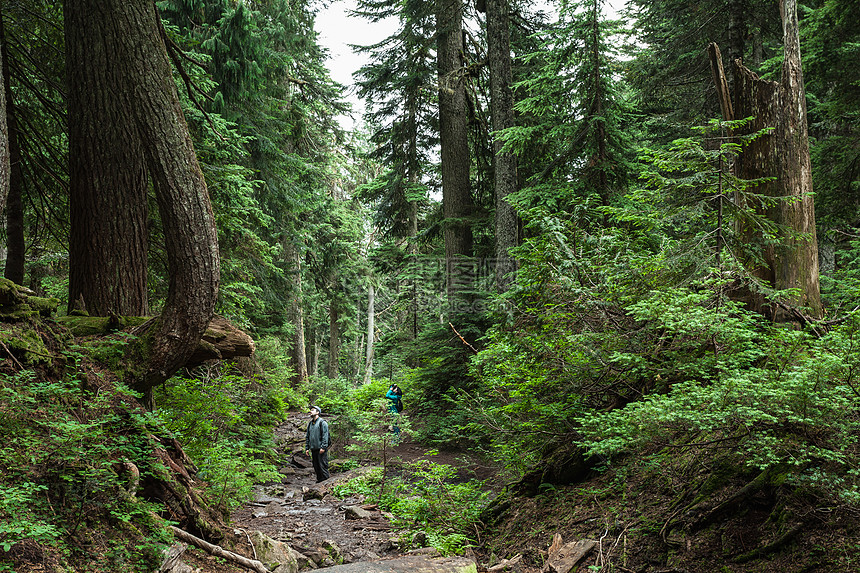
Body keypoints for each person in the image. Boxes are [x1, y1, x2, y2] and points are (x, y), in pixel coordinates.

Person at [304, 405, 330, 483]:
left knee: (323, 466)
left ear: (318, 412)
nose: (310, 411)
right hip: (313, 448)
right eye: (310, 410)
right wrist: (307, 448)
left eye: (312, 410)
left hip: (321, 449)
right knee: (316, 466)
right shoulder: (310, 424)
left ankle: (326, 483)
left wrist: (323, 447)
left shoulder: (322, 422)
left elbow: (325, 436)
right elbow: (308, 436)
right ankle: (319, 481)